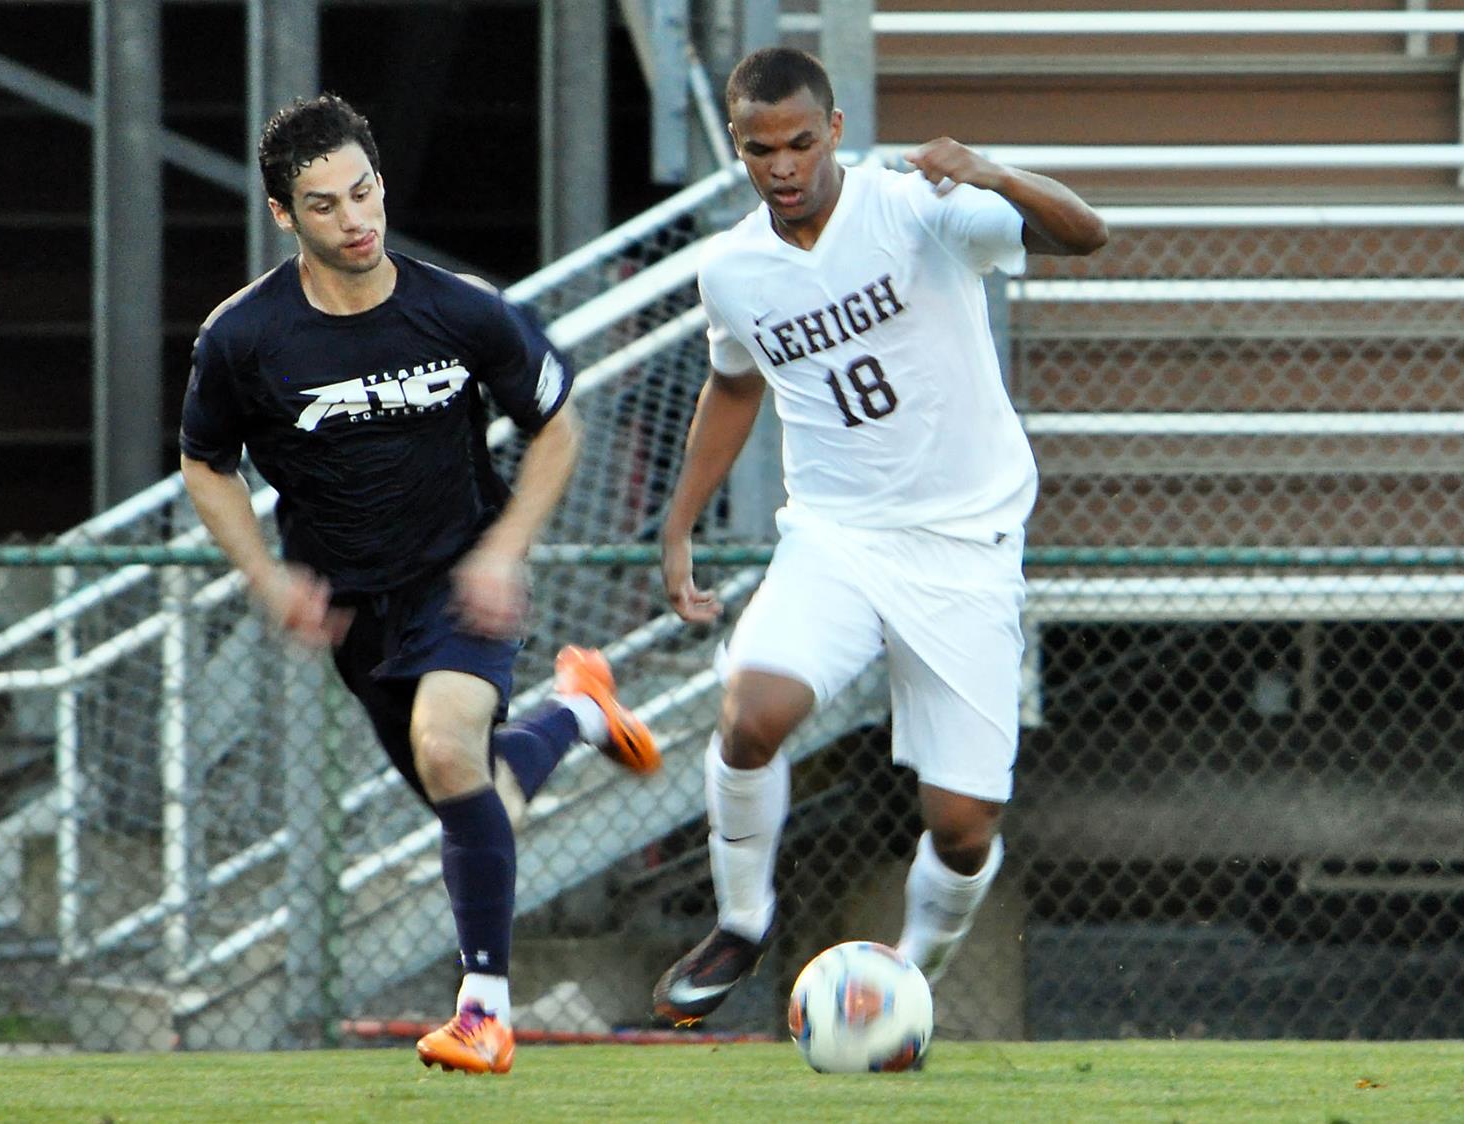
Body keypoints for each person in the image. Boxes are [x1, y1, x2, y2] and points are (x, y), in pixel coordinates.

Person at [179, 94, 659, 1075]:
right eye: (324, 205)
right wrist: (265, 576)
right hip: (354, 614)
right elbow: (204, 463)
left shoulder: (460, 308)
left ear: (381, 185)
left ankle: (484, 1009)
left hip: (457, 585)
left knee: (448, 751)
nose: (354, 219)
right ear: (283, 215)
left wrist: (503, 549)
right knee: (474, 791)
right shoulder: (242, 337)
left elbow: (557, 424)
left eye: (364, 193)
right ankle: (575, 713)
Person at [651, 47, 1108, 1026]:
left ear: (834, 133)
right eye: (757, 148)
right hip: (835, 538)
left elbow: (1085, 234)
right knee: (750, 711)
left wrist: (993, 173)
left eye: (798, 142)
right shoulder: (730, 268)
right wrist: (678, 522)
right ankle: (741, 917)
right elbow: (734, 385)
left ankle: (905, 971)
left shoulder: (916, 207)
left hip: (963, 546)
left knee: (961, 823)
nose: (780, 165)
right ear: (737, 148)